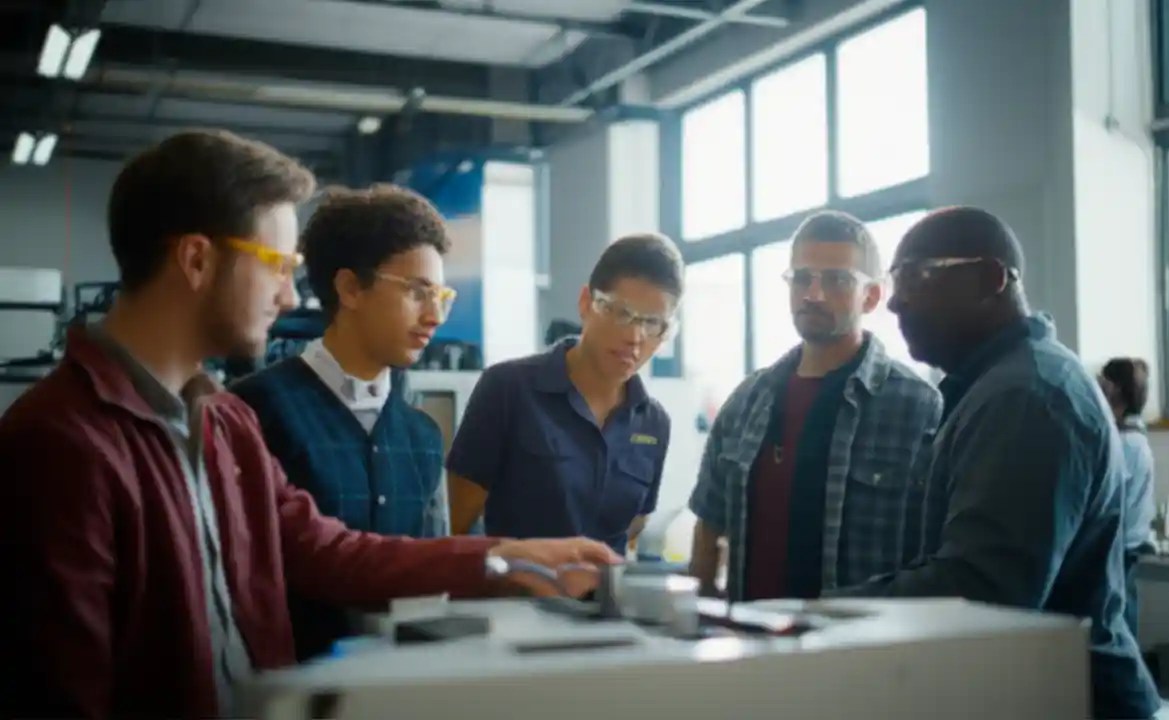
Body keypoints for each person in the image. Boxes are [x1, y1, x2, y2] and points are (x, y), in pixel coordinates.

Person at [0, 130, 616, 720]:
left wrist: (507, 560)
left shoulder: (224, 424)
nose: (291, 297)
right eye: (276, 263)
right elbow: (64, 694)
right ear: (195, 259)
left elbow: (331, 553)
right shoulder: (61, 442)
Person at [830, 207, 1160, 719]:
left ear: (989, 278)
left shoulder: (1030, 397)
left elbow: (981, 591)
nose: (895, 301)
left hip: (1069, 700)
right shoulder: (997, 386)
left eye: (916, 276)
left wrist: (818, 614)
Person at [231, 184, 458, 660]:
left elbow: (436, 579)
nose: (435, 315)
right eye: (417, 293)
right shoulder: (253, 411)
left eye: (441, 296)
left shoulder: (422, 436)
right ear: (350, 288)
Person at [687, 210, 943, 601]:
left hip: (859, 650)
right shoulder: (746, 402)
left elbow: (935, 553)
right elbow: (709, 528)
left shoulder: (917, 407)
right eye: (802, 278)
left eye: (837, 280)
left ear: (871, 296)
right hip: (749, 646)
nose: (813, 294)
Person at [447, 234, 682, 554]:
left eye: (653, 323)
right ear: (586, 302)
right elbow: (453, 526)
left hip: (604, 601)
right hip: (514, 599)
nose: (635, 336)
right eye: (621, 313)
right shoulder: (508, 388)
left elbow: (629, 536)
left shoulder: (653, 423)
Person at [1099, 356, 1157, 638]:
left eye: (1103, 381)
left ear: (1115, 389)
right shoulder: (1135, 439)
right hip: (1127, 544)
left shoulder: (1125, 443)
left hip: (1119, 548)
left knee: (1116, 626)